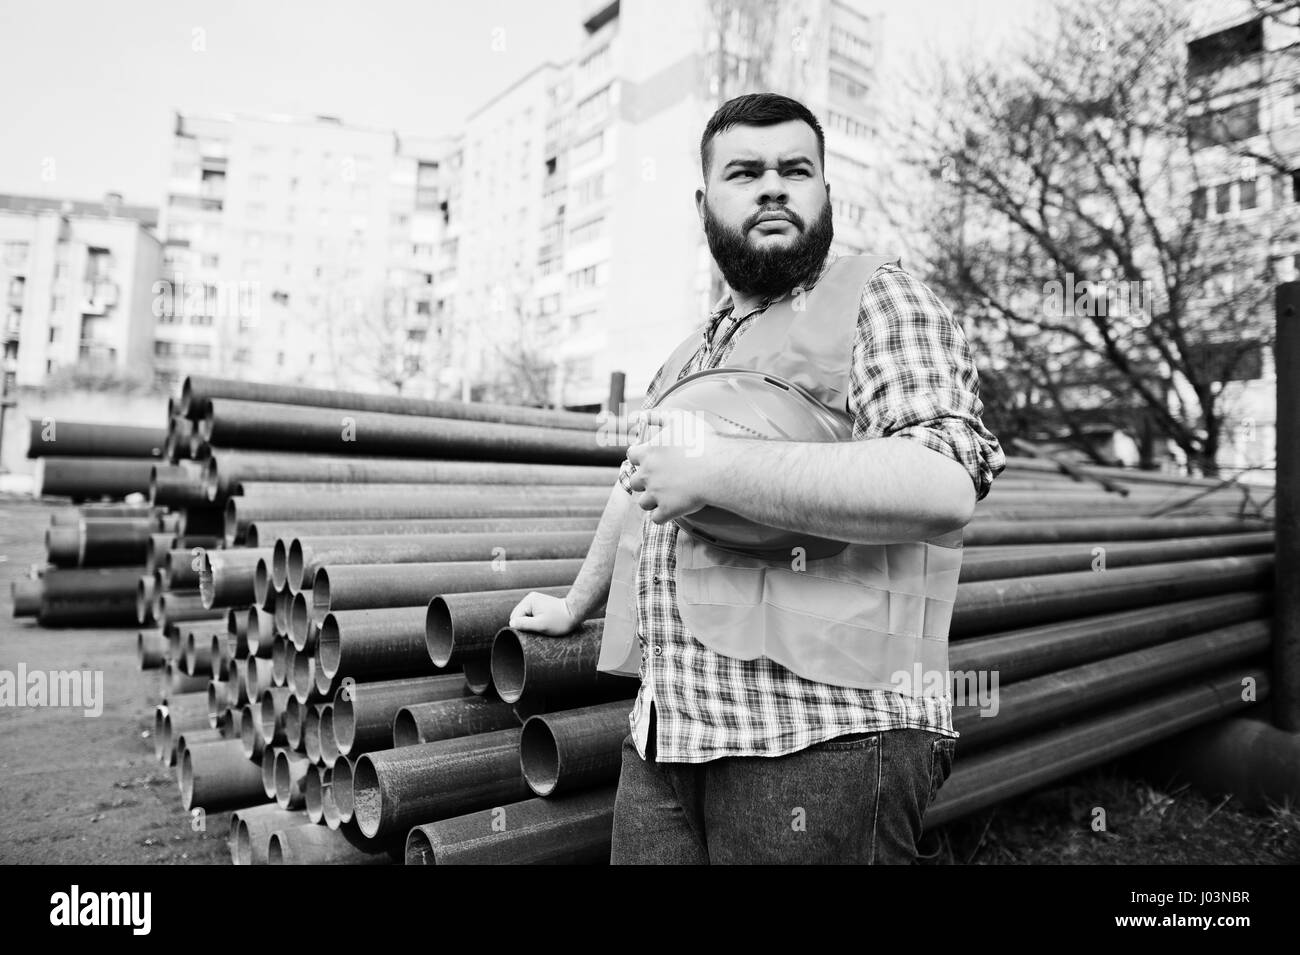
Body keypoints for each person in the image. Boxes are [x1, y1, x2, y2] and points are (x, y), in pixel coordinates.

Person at [509, 92, 1005, 864]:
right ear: (705, 204)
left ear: (825, 195)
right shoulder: (690, 355)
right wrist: (577, 600)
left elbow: (944, 484)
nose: (773, 186)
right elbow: (637, 480)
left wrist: (718, 468)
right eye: (745, 171)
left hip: (829, 735)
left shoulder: (880, 299)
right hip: (668, 735)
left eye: (795, 169)